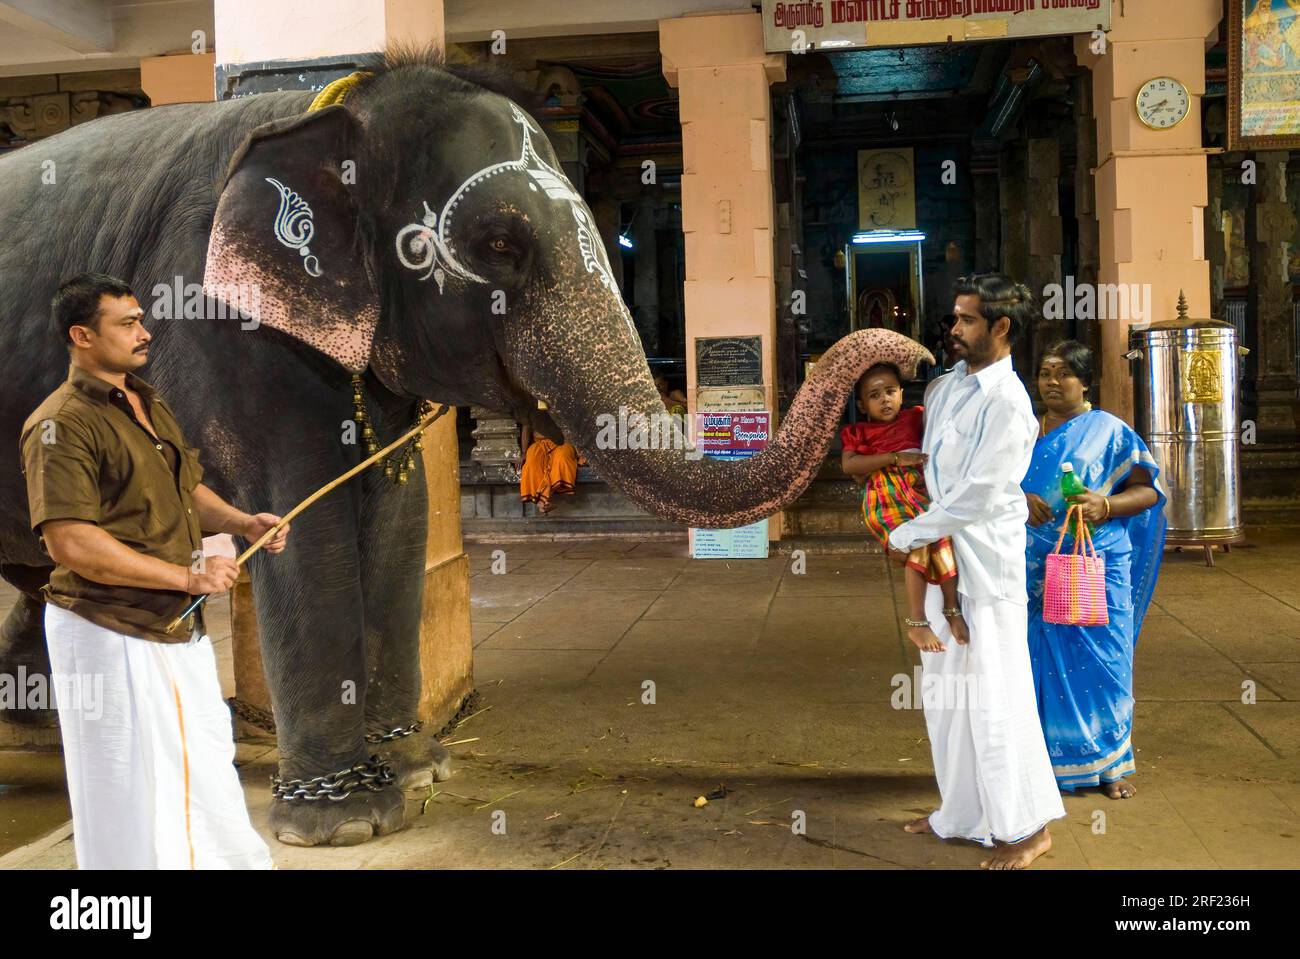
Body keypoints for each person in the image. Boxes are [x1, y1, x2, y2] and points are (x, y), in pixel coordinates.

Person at [21, 272, 289, 869]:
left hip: (173, 623)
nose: (145, 332)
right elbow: (70, 542)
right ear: (82, 335)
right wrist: (188, 579)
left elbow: (184, 487)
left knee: (200, 762)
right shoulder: (58, 424)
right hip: (107, 626)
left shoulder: (146, 400)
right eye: (127, 323)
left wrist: (243, 522)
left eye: (142, 318)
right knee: (131, 784)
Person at [887, 273, 1065, 869]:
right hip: (942, 564)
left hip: (986, 566)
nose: (954, 329)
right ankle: (960, 814)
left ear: (1002, 327)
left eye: (966, 320)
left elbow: (986, 491)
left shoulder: (1008, 402)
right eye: (955, 317)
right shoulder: (946, 389)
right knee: (945, 692)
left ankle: (1026, 827)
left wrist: (910, 530)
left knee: (995, 693)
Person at [1023, 340, 1166, 799]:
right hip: (1033, 568)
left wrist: (1105, 504)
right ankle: (1045, 762)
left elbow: (1148, 492)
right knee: (1035, 662)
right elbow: (992, 484)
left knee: (1106, 660)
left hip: (1097, 564)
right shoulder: (1023, 430)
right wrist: (1018, 499)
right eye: (1046, 372)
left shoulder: (1110, 431)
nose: (1052, 382)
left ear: (1086, 381)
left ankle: (1110, 763)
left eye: (1064, 373)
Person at [841, 363, 969, 652]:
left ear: (901, 393)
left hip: (917, 490)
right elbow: (849, 465)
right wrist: (895, 458)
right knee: (917, 541)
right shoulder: (858, 432)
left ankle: (951, 609)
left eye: (890, 391)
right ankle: (917, 620)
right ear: (862, 405)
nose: (884, 399)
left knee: (939, 537)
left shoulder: (917, 419)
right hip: (884, 496)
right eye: (874, 395)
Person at [519, 422, 583, 514]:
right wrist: (524, 452)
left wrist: (581, 450)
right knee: (532, 461)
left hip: (563, 442)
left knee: (562, 458)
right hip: (540, 443)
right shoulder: (533, 409)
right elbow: (527, 425)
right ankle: (543, 502)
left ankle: (542, 502)